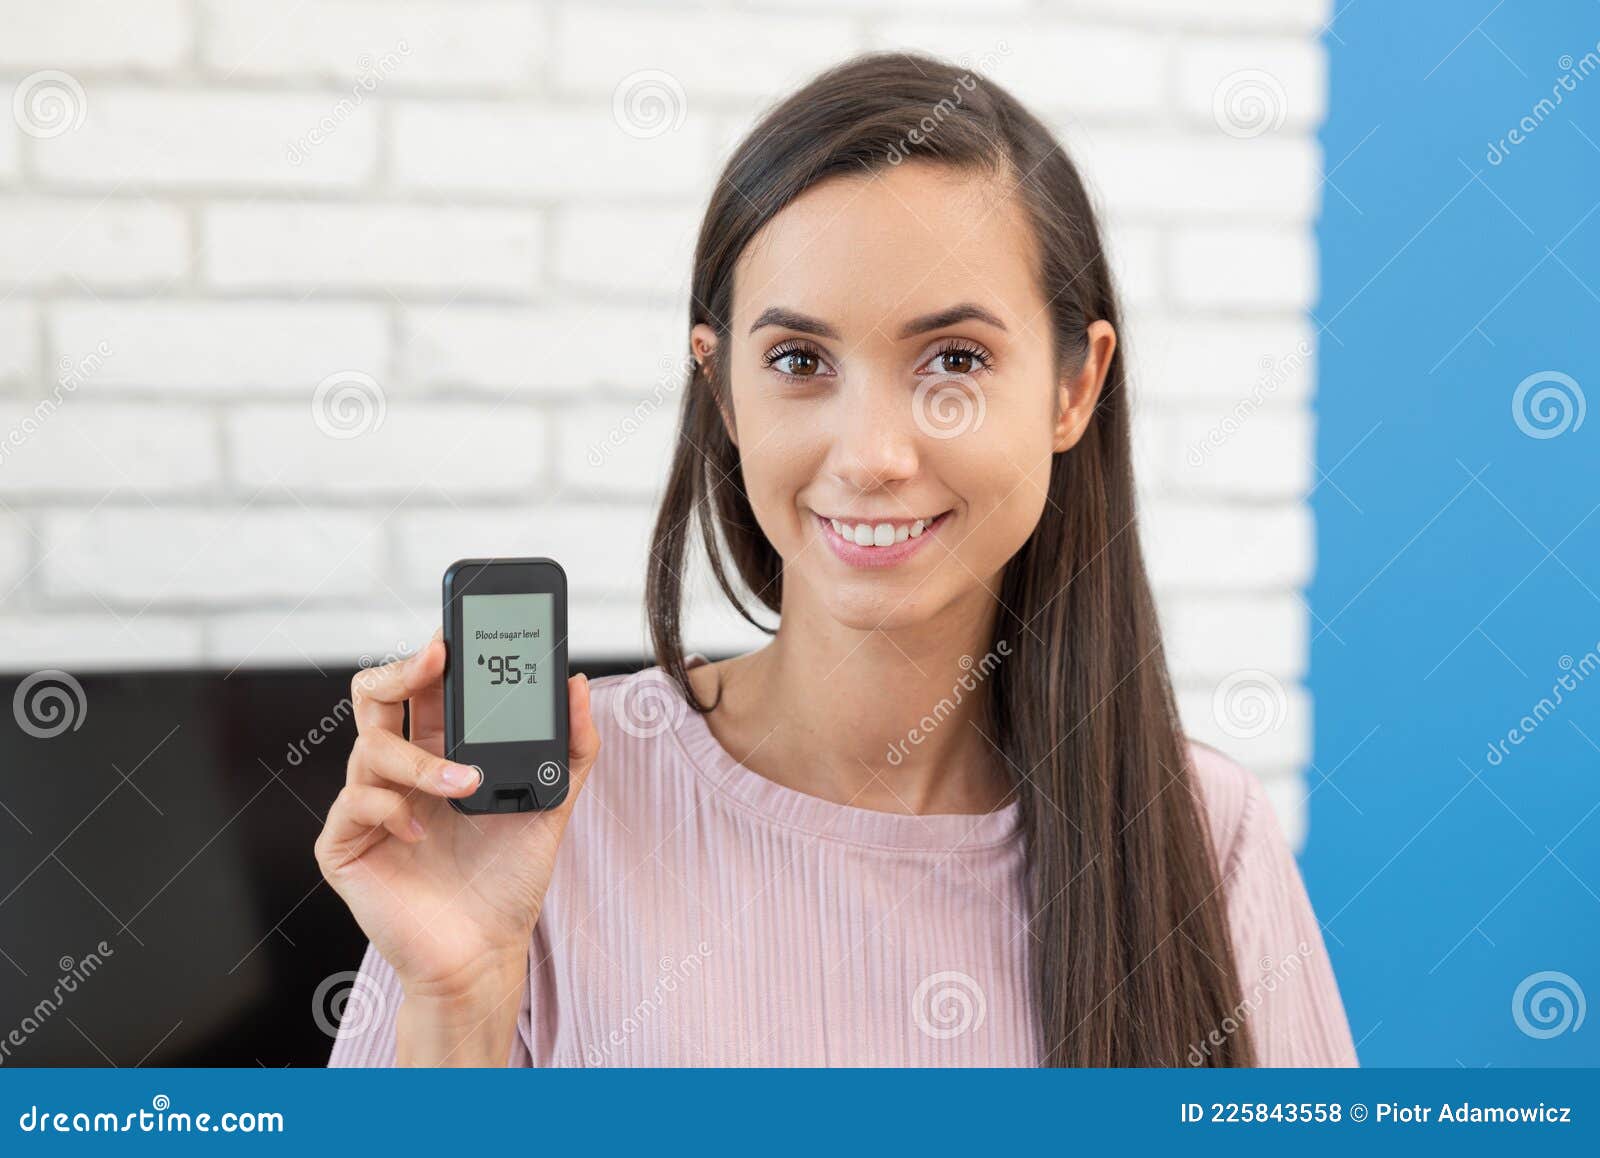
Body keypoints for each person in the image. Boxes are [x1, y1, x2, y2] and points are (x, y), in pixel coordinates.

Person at [319, 51, 1358, 1068]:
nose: (870, 457)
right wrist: (459, 995)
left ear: (1072, 388)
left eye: (954, 360)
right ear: (722, 390)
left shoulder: (1199, 834)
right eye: (799, 362)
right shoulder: (550, 822)